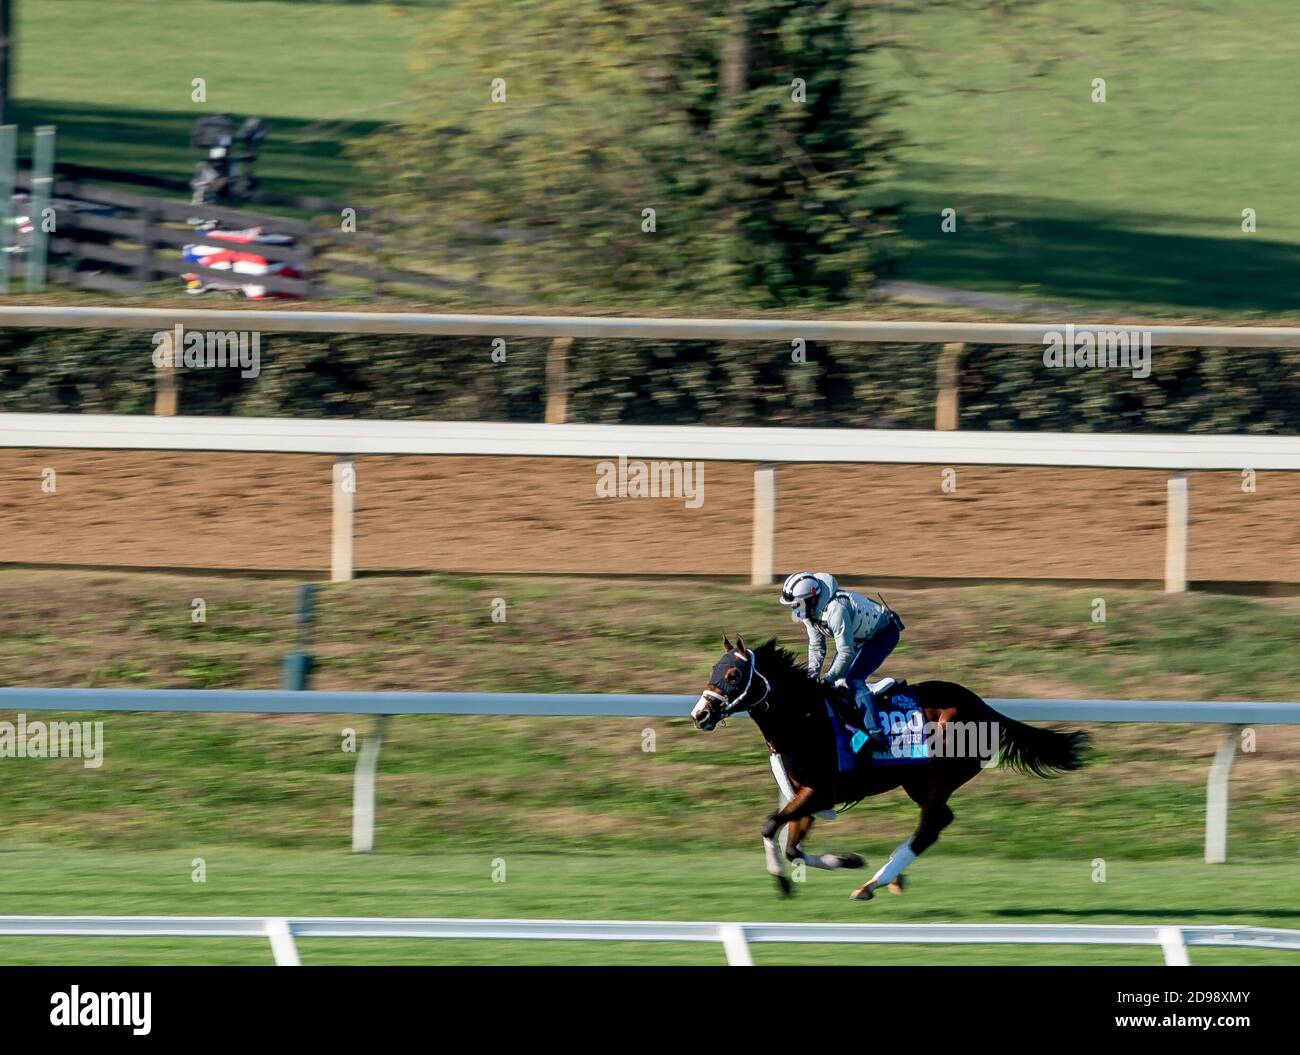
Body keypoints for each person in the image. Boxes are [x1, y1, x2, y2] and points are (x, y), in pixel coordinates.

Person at [778, 571, 904, 752]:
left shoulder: (836, 610)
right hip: (861, 637)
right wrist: (812, 678)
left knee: (854, 680)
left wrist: (827, 680)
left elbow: (845, 652)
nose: (794, 609)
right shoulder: (809, 614)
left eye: (797, 604)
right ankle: (854, 727)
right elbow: (816, 647)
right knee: (839, 683)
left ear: (812, 598)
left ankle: (877, 735)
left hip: (883, 633)